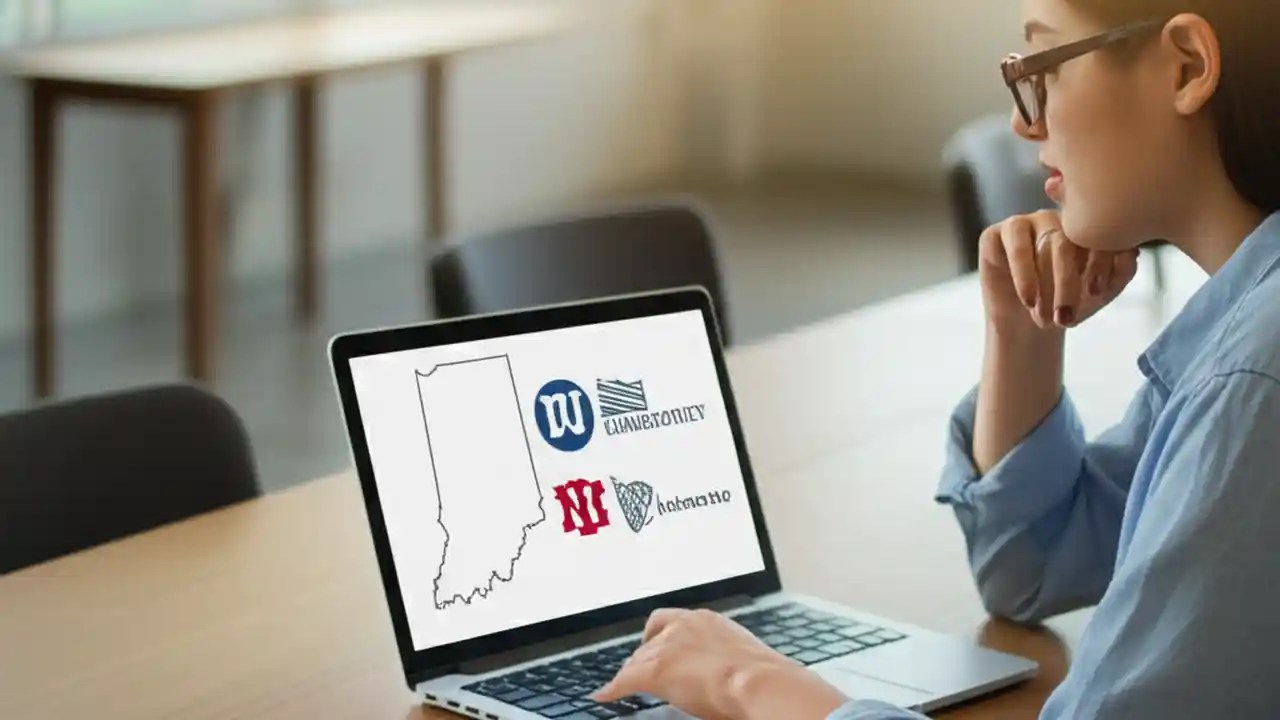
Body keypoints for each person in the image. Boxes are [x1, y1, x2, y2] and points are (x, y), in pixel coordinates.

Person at [592, 0, 1280, 717]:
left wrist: (757, 687)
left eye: (1044, 65)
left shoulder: (1253, 385)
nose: (1025, 121)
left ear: (1187, 67)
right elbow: (1035, 568)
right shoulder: (1241, 332)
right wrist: (1024, 328)